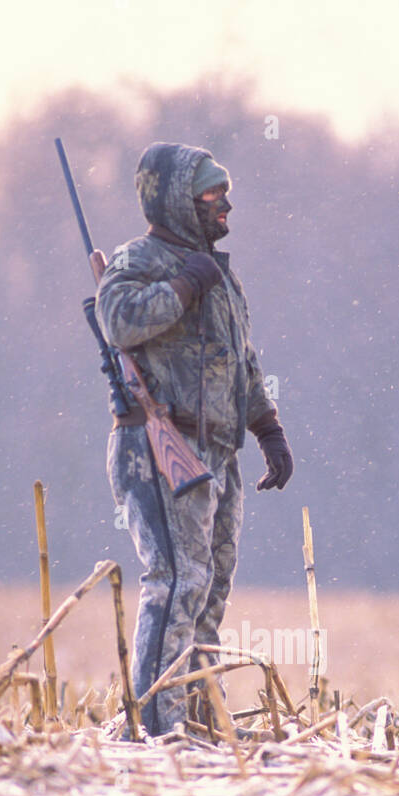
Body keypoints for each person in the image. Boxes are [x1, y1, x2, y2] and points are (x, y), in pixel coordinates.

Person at [96, 141, 294, 736]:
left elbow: (242, 364)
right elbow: (117, 318)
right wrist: (186, 284)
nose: (224, 204)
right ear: (177, 200)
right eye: (210, 193)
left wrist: (269, 429)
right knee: (176, 581)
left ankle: (199, 722)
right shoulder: (142, 260)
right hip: (158, 449)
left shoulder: (219, 272)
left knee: (209, 589)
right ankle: (157, 732)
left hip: (216, 454)